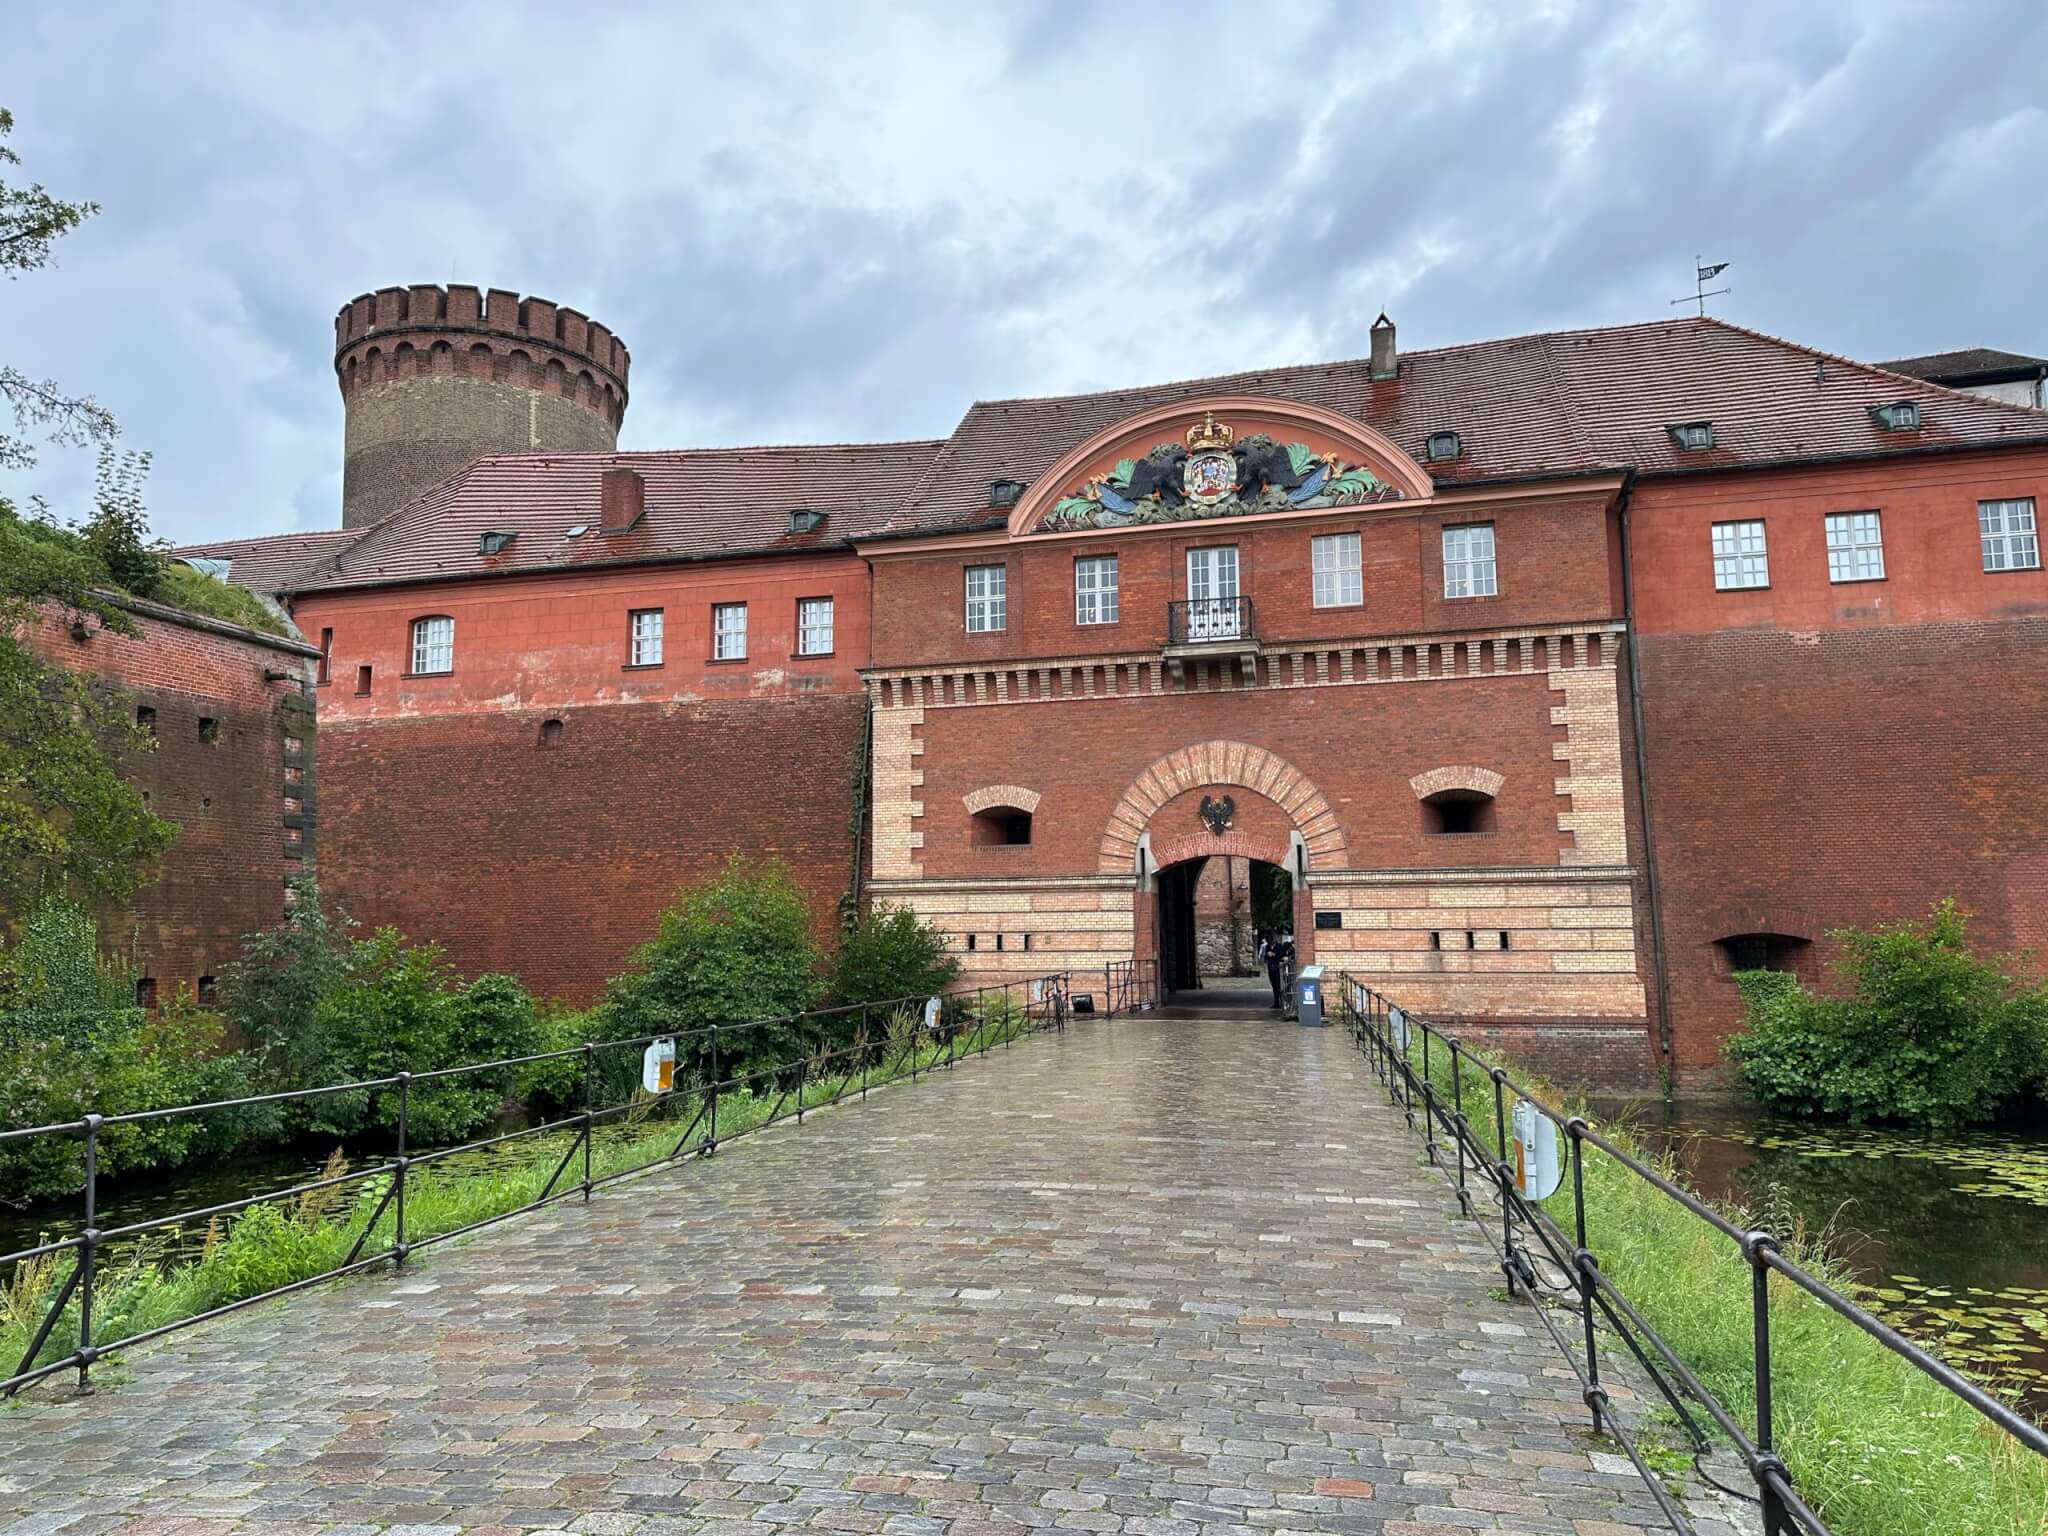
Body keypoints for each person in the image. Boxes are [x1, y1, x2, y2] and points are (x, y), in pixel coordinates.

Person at [1259, 929, 1286, 1010]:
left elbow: (1282, 956)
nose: (1270, 942)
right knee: (1274, 986)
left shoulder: (1279, 946)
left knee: (1279, 985)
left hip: (1278, 968)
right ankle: (1276, 1002)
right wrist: (1267, 955)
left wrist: (1274, 954)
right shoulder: (1267, 947)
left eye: (1270, 939)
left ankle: (1282, 1002)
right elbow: (1265, 957)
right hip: (1271, 968)